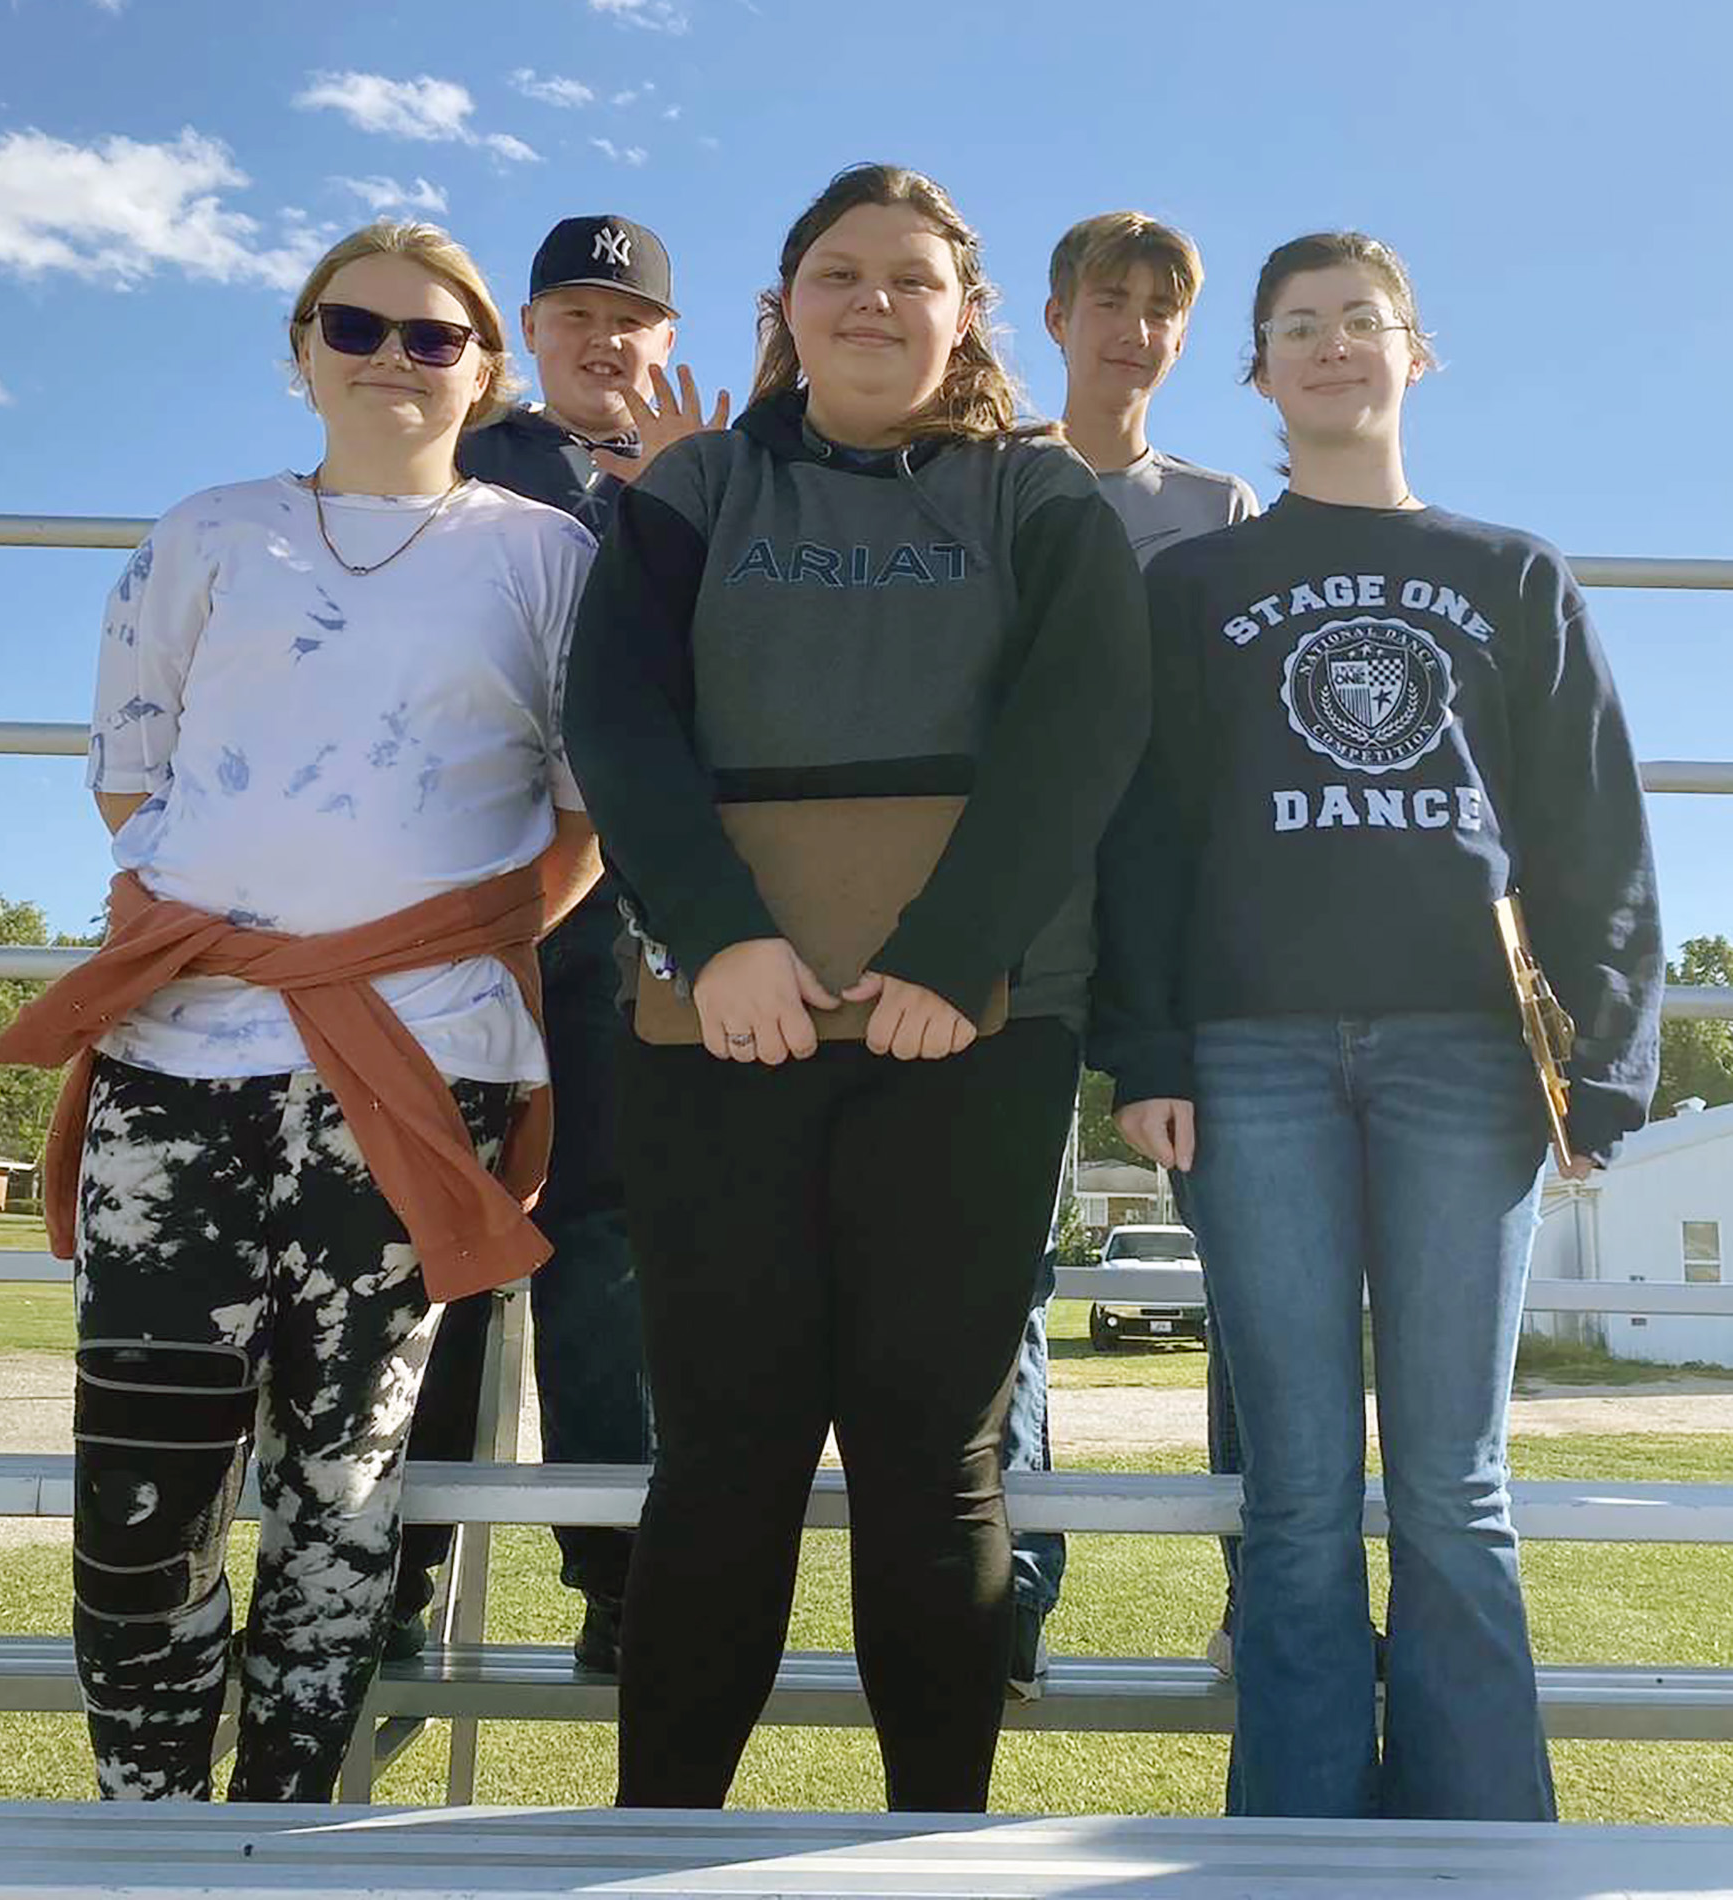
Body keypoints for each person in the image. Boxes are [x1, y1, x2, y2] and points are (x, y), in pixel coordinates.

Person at [564, 162, 1152, 1811]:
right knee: (726, 1462)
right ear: (785, 306)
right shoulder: (693, 486)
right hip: (719, 1028)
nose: (873, 301)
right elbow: (615, 718)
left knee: (930, 1463)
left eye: (910, 276)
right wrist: (717, 935)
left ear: (964, 311)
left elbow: (1084, 729)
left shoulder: (1038, 498)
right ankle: (657, 1843)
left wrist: (950, 954)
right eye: (837, 272)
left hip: (968, 1027)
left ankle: (935, 1844)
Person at [0, 220, 599, 1801]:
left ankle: (290, 1826)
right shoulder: (204, 535)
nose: (393, 358)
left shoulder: (546, 558)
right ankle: (150, 1823)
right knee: (142, 1478)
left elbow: (584, 816)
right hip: (181, 1058)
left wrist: (439, 947)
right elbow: (132, 774)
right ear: (299, 350)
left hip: (421, 1067)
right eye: (356, 327)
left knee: (343, 1480)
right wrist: (268, 945)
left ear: (487, 364)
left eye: (433, 335)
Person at [1090, 230, 1662, 1819]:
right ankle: (1297, 1833)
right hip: (1250, 1062)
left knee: (1451, 1486)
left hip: (1466, 1062)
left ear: (1417, 353)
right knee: (1289, 1491)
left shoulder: (1509, 571)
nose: (1332, 345)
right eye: (1297, 327)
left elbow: (1593, 831)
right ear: (1258, 372)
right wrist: (1147, 1051)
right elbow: (1142, 832)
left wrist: (1600, 1068)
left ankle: (1483, 1842)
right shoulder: (1193, 582)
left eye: (1361, 321)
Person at [389, 213, 727, 1677]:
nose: (603, 337)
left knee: (605, 1255)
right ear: (527, 327)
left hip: (630, 926)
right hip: (458, 900)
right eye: (575, 311)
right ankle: (393, 1566)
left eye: (629, 315)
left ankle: (615, 1572)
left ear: (668, 335)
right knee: (433, 1247)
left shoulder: (716, 479)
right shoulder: (470, 455)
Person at [1004, 209, 1257, 1698]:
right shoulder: (987, 480)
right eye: (1111, 298)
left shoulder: (1217, 505)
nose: (1136, 326)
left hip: (1173, 932)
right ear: (1055, 315)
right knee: (1006, 1273)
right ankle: (1012, 1594)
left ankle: (1260, 1593)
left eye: (1163, 307)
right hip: (1016, 923)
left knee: (1249, 1269)